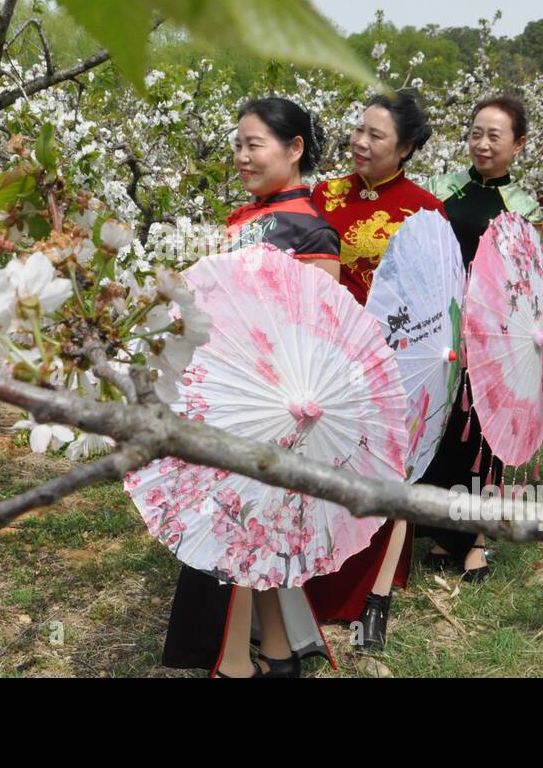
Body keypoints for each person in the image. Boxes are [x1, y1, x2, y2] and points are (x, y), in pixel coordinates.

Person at [161, 96, 340, 679]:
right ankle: (280, 654)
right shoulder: (243, 219)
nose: (241, 155)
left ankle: (234, 665)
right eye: (237, 144)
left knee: (235, 525)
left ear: (294, 150)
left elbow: (317, 329)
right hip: (228, 388)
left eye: (254, 144)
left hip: (270, 400)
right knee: (251, 525)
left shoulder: (312, 231)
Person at [306, 90, 445, 651]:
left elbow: (430, 298)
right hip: (327, 354)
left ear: (406, 147)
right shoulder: (324, 194)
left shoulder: (425, 211)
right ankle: (316, 580)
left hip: (390, 360)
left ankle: (373, 592)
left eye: (377, 136)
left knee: (386, 468)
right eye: (358, 131)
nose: (360, 143)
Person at [416, 95, 543, 581]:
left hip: (491, 337)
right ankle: (439, 533)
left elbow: (524, 281)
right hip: (439, 327)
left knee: (480, 434)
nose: (483, 144)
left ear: (519, 144)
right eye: (476, 133)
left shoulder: (523, 206)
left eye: (495, 136)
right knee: (438, 426)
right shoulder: (442, 188)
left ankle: (472, 540)